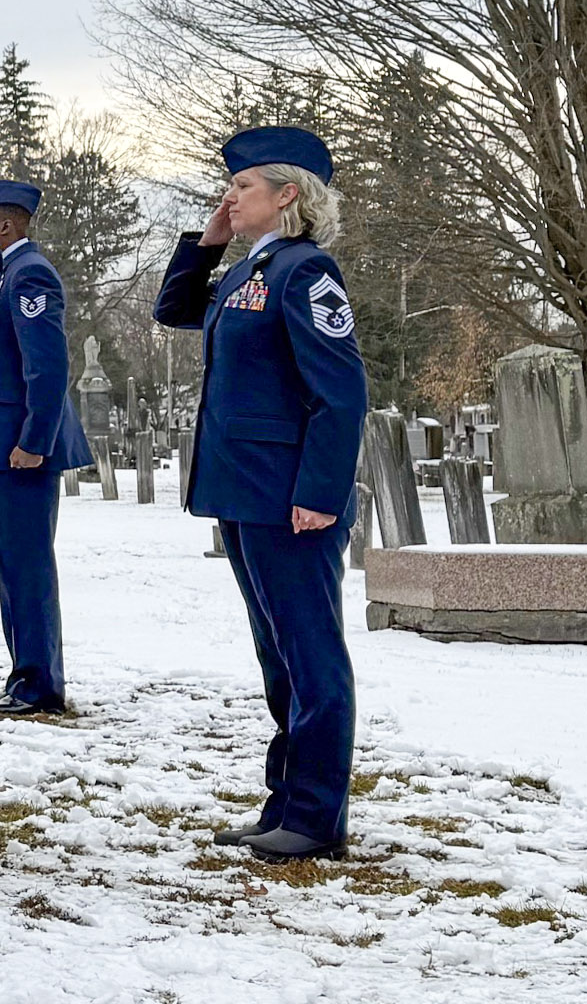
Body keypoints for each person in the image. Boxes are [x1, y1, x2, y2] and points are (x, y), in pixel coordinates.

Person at [153, 126, 366, 863]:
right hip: (245, 493)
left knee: (310, 657)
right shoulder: (255, 271)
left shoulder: (308, 274)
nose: (229, 195)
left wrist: (320, 494)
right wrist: (206, 241)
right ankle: (287, 803)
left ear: (288, 195)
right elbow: (176, 310)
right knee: (279, 657)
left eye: (242, 187)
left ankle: (315, 816)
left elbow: (340, 397)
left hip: (288, 500)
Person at [0, 178, 94, 716]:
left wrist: (35, 440)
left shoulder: (28, 273)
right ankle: (24, 676)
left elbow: (48, 366)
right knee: (12, 565)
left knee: (28, 566)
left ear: (6, 225)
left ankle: (39, 683)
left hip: (21, 449)